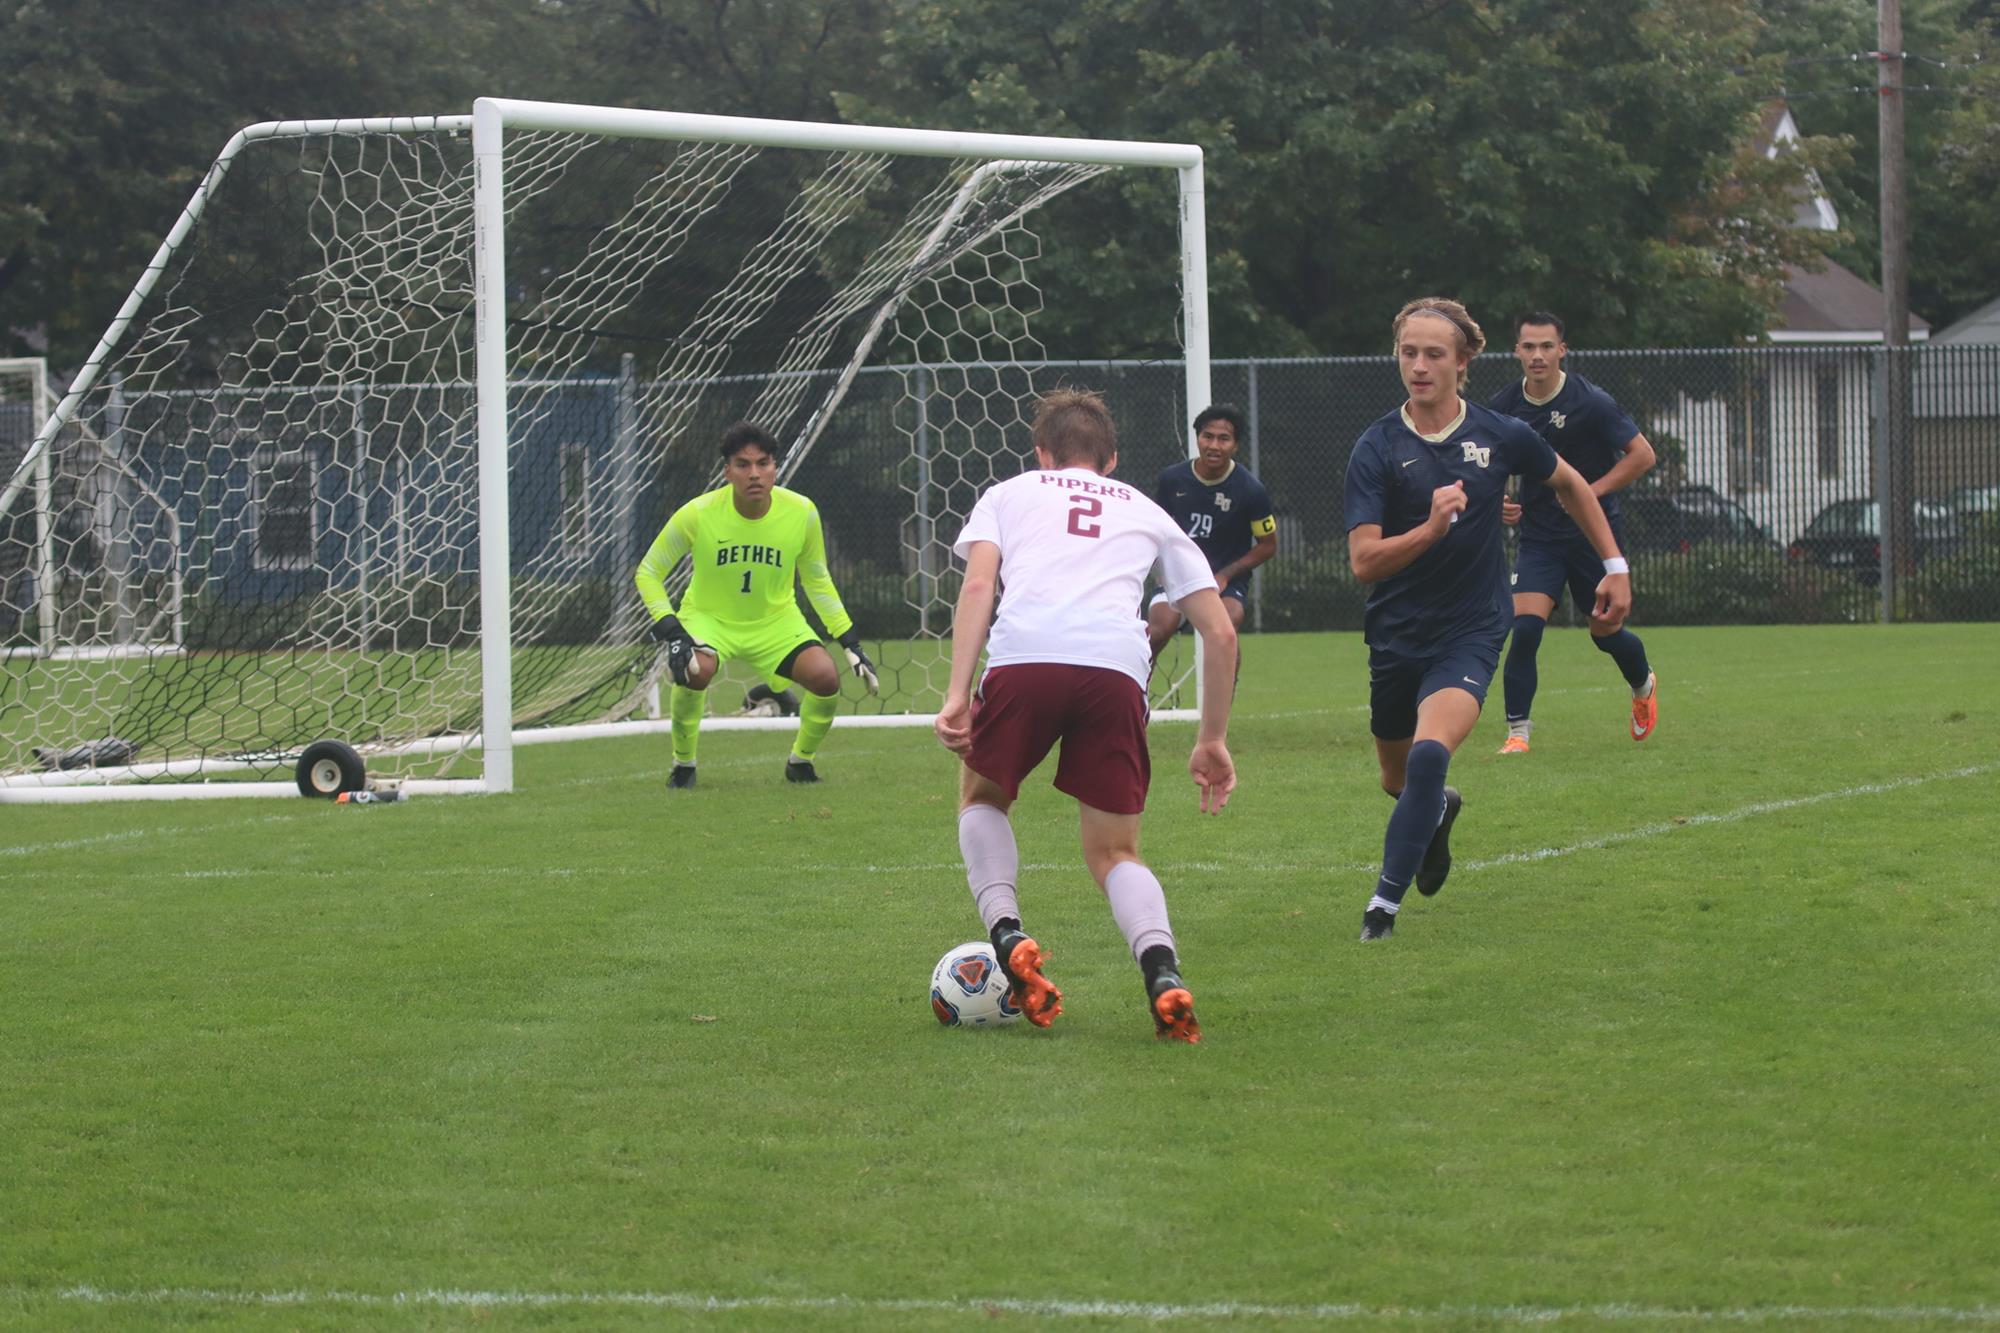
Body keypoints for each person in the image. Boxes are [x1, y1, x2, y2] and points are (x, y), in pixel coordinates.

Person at [934, 389, 1238, 1042]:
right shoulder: (1148, 509)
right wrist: (1211, 738)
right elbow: (1220, 634)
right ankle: (1162, 970)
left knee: (981, 796)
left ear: (1042, 454)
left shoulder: (1010, 493)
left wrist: (958, 691)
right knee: (1114, 850)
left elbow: (980, 585)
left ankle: (1009, 932)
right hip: (1115, 669)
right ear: (1111, 460)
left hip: (1026, 660)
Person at [1342, 299, 1631, 942]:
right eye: (1408, 354)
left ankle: (1381, 909)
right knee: (1398, 777)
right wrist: (1430, 527)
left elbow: (1573, 484)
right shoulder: (1377, 446)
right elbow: (1365, 562)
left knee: (1425, 757)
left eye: (1434, 354)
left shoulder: (1500, 434)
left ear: (1463, 362)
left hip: (1471, 631)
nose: (1418, 366)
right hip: (1395, 634)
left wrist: (1614, 564)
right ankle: (1439, 815)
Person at [634, 421, 877, 789]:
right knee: (695, 670)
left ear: (775, 467)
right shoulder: (698, 514)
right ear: (726, 471)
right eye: (743, 464)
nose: (754, 474)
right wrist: (673, 631)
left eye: (763, 463)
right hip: (709, 618)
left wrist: (849, 641)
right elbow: (648, 572)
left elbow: (817, 579)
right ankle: (684, 765)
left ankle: (801, 762)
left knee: (826, 678)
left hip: (776, 621)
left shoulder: (802, 512)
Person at [1489, 311, 1659, 751]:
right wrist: (1499, 503)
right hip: (1541, 538)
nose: (1538, 355)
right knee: (1524, 627)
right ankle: (1517, 733)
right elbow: (1483, 465)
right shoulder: (1504, 407)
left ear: (1562, 350)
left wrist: (1589, 492)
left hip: (1592, 538)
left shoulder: (1591, 402)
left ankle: (1643, 685)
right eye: (1529, 347)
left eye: (1547, 346)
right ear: (1517, 352)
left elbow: (1643, 455)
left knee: (1605, 634)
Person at [1145, 404, 1277, 667]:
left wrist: (1226, 574)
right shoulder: (1172, 479)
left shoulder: (1251, 490)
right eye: (1208, 436)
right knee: (1158, 629)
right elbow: (1155, 528)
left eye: (1224, 438)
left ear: (1236, 445)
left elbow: (1267, 546)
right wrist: (1159, 567)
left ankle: (1222, 706)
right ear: (1198, 438)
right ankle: (1135, 691)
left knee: (1224, 630)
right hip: (1179, 575)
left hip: (1226, 582)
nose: (1214, 445)